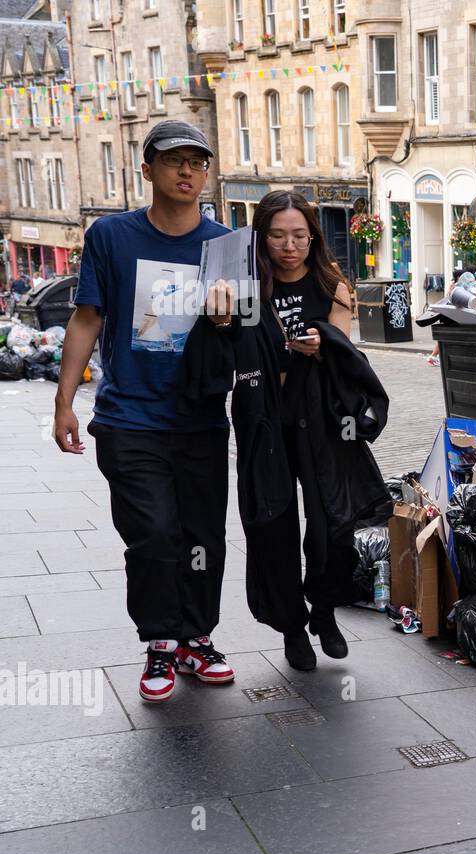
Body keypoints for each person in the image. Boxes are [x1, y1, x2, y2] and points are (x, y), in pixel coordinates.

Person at [53, 119, 235, 703]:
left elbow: (242, 338)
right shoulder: (111, 236)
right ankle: (161, 642)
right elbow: (87, 317)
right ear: (148, 169)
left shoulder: (227, 243)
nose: (187, 171)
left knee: (203, 536)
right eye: (174, 160)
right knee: (154, 535)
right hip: (130, 418)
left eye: (197, 162)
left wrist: (229, 316)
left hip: (201, 418)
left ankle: (197, 636)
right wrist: (64, 402)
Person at [223, 189, 389, 671]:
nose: (289, 245)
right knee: (272, 524)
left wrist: (324, 343)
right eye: (277, 235)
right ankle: (292, 626)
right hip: (264, 418)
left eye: (299, 235)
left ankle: (323, 607)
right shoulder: (246, 286)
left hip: (319, 420)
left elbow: (345, 355)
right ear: (261, 237)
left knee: (332, 525)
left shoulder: (331, 284)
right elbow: (230, 348)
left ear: (313, 236)